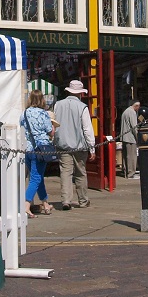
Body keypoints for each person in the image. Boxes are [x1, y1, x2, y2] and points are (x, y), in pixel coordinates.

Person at [53, 79, 95, 210]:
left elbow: (53, 124)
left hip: (62, 144)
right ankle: (83, 200)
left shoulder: (57, 105)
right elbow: (87, 128)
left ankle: (66, 200)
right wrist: (92, 148)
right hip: (79, 145)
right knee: (80, 173)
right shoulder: (82, 107)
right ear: (80, 93)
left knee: (65, 172)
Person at [19, 89, 55, 218]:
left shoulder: (24, 114)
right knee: (35, 178)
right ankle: (26, 206)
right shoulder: (43, 114)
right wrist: (53, 126)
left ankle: (45, 203)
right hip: (41, 149)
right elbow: (50, 132)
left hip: (28, 149)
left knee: (38, 177)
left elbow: (22, 128)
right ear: (41, 100)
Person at [119, 100, 141, 178]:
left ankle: (126, 172)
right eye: (139, 106)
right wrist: (138, 137)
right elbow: (134, 127)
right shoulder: (132, 112)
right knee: (132, 156)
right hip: (131, 138)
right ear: (136, 106)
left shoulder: (125, 111)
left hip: (124, 137)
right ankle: (131, 173)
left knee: (126, 156)